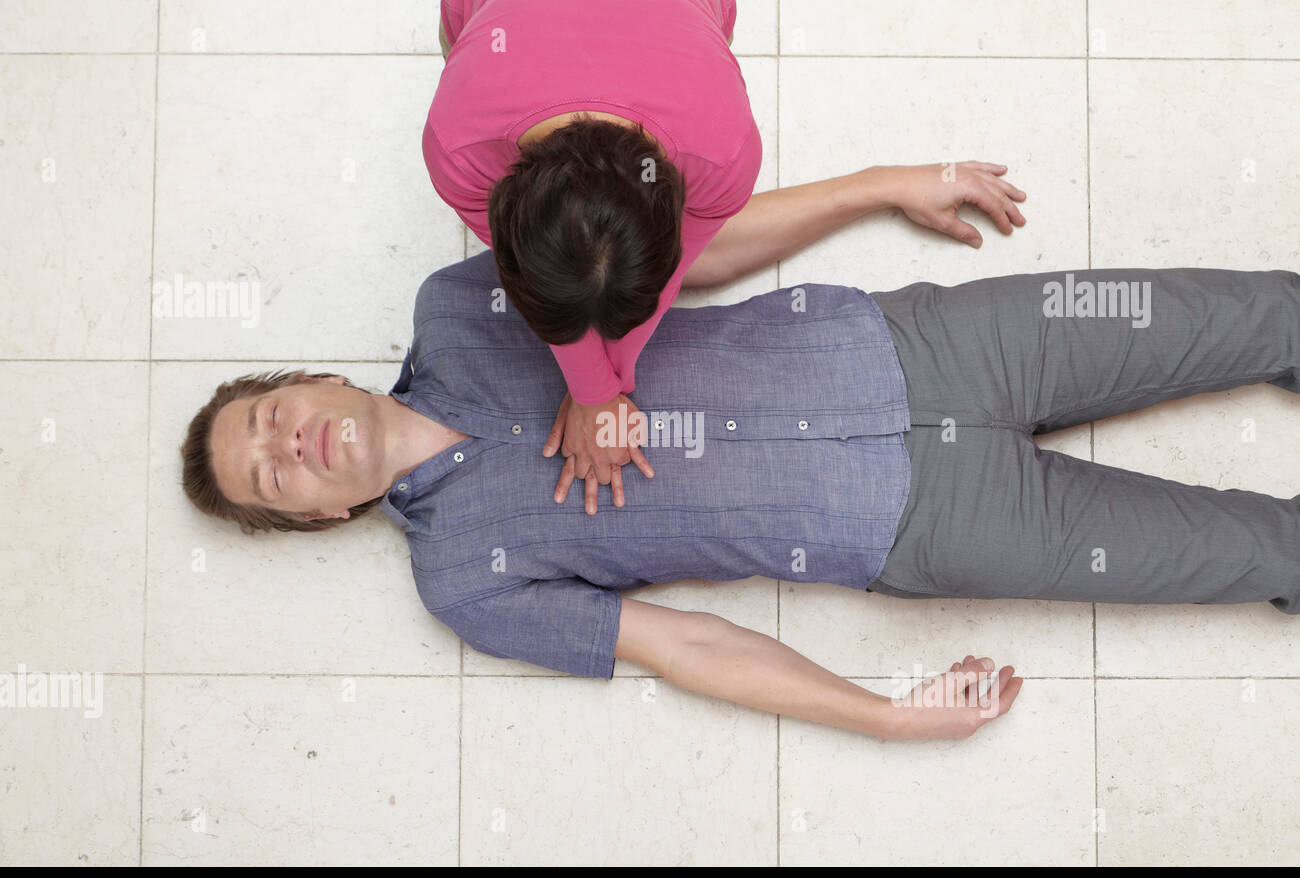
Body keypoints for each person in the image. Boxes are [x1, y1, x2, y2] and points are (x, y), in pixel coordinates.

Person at [184, 253, 1300, 741]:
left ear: (308, 378)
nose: (289, 441)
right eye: (270, 474)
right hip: (920, 525)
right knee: (1273, 553)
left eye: (267, 414)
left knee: (1270, 314)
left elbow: (688, 253)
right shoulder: (461, 580)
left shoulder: (455, 303)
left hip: (919, 342)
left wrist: (889, 185)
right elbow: (686, 645)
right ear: (315, 515)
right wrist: (888, 714)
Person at [425, 0, 1026, 513]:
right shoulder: (458, 148)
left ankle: (883, 183)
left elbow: (666, 269)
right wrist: (595, 391)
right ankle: (883, 184)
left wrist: (604, 392)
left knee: (701, 267)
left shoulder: (723, 144)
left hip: (679, 43)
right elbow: (556, 277)